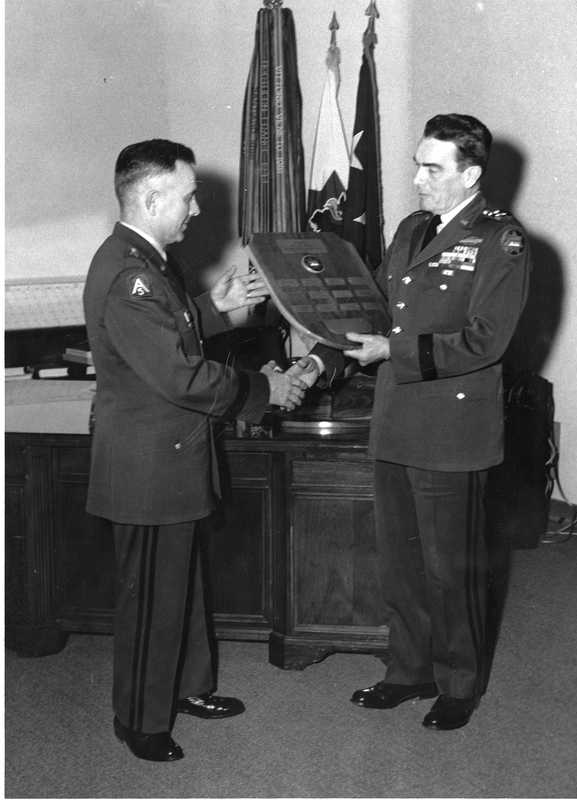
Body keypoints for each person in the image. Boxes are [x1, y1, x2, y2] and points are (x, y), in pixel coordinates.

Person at [291, 114, 530, 730]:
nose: (418, 179)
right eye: (417, 165)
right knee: (400, 559)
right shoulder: (411, 229)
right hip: (395, 421)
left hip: (452, 431)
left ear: (470, 174)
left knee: (450, 566)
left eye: (433, 168)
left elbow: (485, 340)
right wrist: (319, 362)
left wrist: (391, 353)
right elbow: (368, 309)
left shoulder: (501, 241)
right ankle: (409, 670)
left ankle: (458, 684)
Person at [83, 139, 307, 762]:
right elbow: (178, 374)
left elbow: (168, 330)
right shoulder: (130, 272)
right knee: (153, 593)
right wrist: (266, 388)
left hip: (169, 458)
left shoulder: (146, 259)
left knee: (182, 584)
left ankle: (185, 688)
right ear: (152, 198)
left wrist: (216, 307)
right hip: (148, 467)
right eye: (187, 196)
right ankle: (140, 718)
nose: (198, 208)